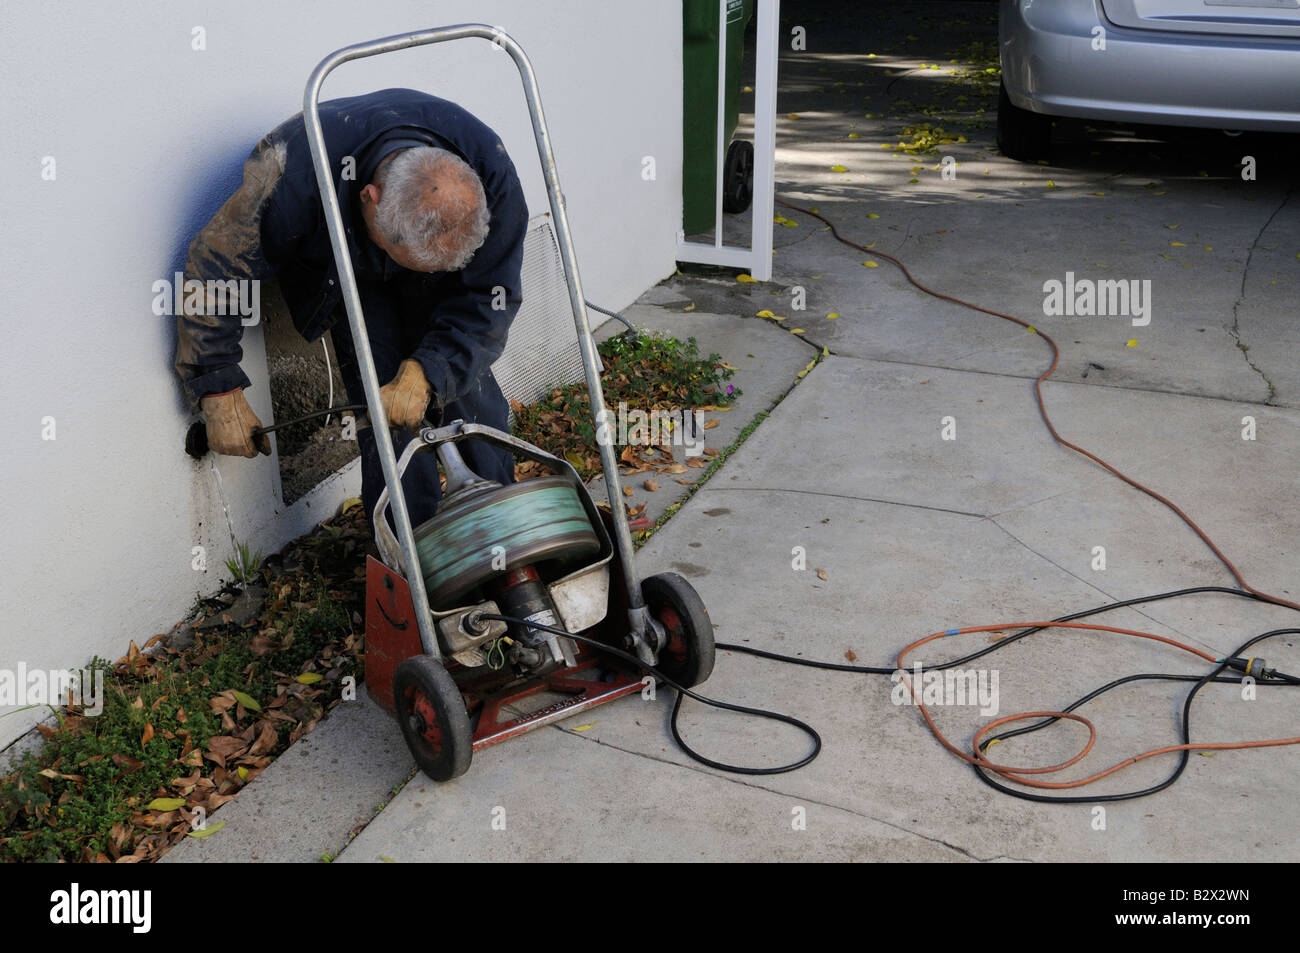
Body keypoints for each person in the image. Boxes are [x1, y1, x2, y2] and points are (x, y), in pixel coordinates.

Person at [174, 88, 528, 529]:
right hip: (346, 273)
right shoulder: (292, 173)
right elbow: (214, 268)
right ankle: (410, 548)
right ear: (370, 197)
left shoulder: (487, 170)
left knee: (467, 395)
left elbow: (489, 297)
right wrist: (217, 387)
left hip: (442, 284)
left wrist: (429, 371)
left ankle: (509, 531)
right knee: (382, 409)